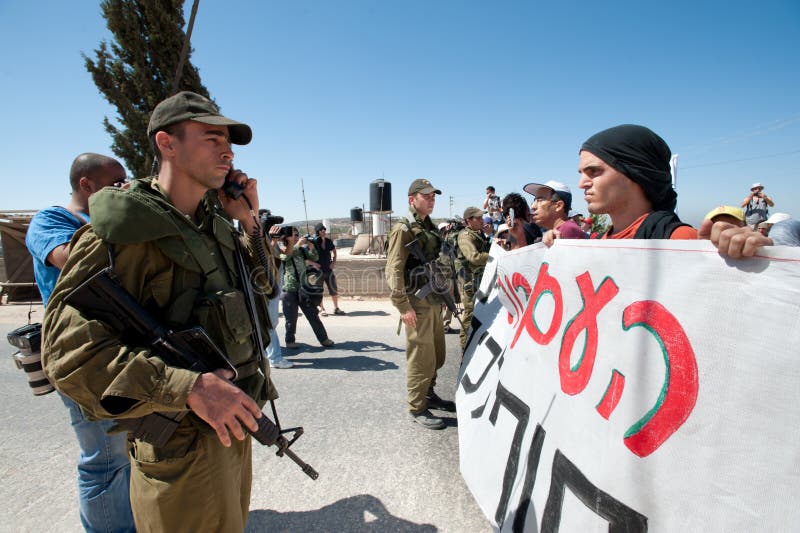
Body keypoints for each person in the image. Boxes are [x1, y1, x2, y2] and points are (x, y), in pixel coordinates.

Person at [42, 91, 281, 531]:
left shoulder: (216, 225)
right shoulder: (125, 230)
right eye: (211, 138)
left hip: (230, 425)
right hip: (179, 438)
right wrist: (189, 386)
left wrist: (248, 220)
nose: (226, 151)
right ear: (167, 144)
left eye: (228, 141)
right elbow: (66, 353)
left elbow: (266, 286)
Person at [26, 153, 134, 533]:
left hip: (121, 352)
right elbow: (71, 258)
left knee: (130, 452)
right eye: (115, 182)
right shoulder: (51, 220)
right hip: (81, 356)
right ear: (87, 185)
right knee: (104, 459)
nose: (124, 188)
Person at [386, 178, 456, 430]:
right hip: (417, 302)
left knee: (437, 354)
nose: (431, 199)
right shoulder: (403, 228)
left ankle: (429, 393)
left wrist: (446, 295)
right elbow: (393, 269)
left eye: (433, 196)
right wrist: (403, 305)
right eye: (426, 196)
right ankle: (417, 407)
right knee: (421, 357)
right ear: (412, 199)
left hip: (434, 299)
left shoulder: (430, 227)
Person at [577, 124, 697, 240]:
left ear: (634, 172)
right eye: (581, 173)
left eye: (594, 171)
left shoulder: (680, 239)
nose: (581, 184)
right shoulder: (598, 243)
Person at [280, 226, 334, 349]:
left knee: (313, 314)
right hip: (290, 289)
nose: (297, 236)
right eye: (293, 234)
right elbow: (285, 257)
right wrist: (297, 245)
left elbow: (314, 258)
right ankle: (290, 341)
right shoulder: (283, 249)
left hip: (303, 288)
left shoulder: (301, 250)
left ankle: (324, 339)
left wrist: (311, 246)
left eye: (297, 234)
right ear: (287, 238)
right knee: (291, 318)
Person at [456, 207, 491, 350]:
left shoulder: (477, 234)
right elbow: (474, 257)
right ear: (468, 221)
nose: (482, 220)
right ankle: (465, 347)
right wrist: (493, 256)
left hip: (479, 280)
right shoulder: (465, 236)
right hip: (470, 282)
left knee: (481, 313)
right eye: (478, 218)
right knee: (470, 314)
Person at [524, 180, 587, 246]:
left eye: (540, 200)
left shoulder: (566, 230)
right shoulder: (560, 230)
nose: (533, 206)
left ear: (558, 206)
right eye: (535, 200)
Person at [265, 224, 294, 369]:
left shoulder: (271, 241)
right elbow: (264, 257)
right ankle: (275, 359)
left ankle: (268, 355)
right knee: (270, 323)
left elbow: (286, 254)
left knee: (270, 323)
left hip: (275, 287)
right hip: (268, 289)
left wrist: (290, 242)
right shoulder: (261, 240)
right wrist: (272, 240)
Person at [311, 222, 345, 316]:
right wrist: (313, 264)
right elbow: (306, 256)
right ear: (318, 231)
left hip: (329, 270)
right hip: (318, 272)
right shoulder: (313, 242)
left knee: (333, 289)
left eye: (324, 229)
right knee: (319, 291)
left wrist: (334, 262)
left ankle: (336, 308)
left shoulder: (328, 241)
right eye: (322, 230)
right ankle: (322, 309)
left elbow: (334, 251)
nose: (324, 231)